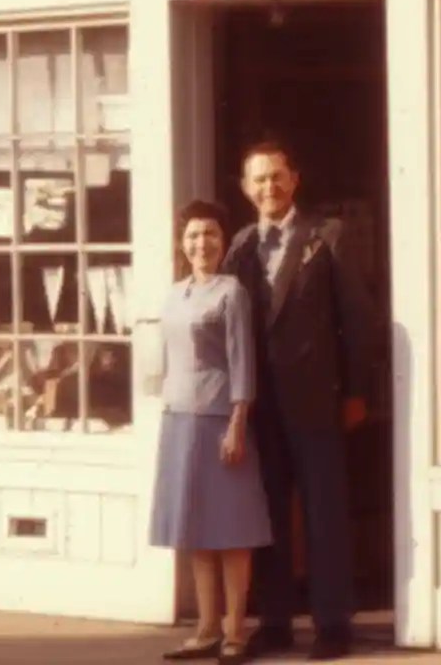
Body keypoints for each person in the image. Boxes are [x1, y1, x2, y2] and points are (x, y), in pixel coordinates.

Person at [223, 141, 375, 661]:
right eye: (259, 180)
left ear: (295, 180)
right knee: (265, 514)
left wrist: (357, 391)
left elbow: (357, 319)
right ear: (246, 189)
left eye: (277, 177)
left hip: (317, 401)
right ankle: (277, 620)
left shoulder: (327, 237)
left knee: (324, 511)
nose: (269, 187)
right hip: (259, 405)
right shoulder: (240, 246)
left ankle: (333, 624)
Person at [149, 199, 272, 665]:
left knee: (232, 532)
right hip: (179, 419)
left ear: (224, 242)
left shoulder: (231, 292)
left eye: (211, 235)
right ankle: (204, 628)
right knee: (197, 531)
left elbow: (243, 362)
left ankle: (235, 631)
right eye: (194, 236)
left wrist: (238, 422)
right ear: (183, 244)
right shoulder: (174, 294)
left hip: (221, 420)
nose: (203, 244)